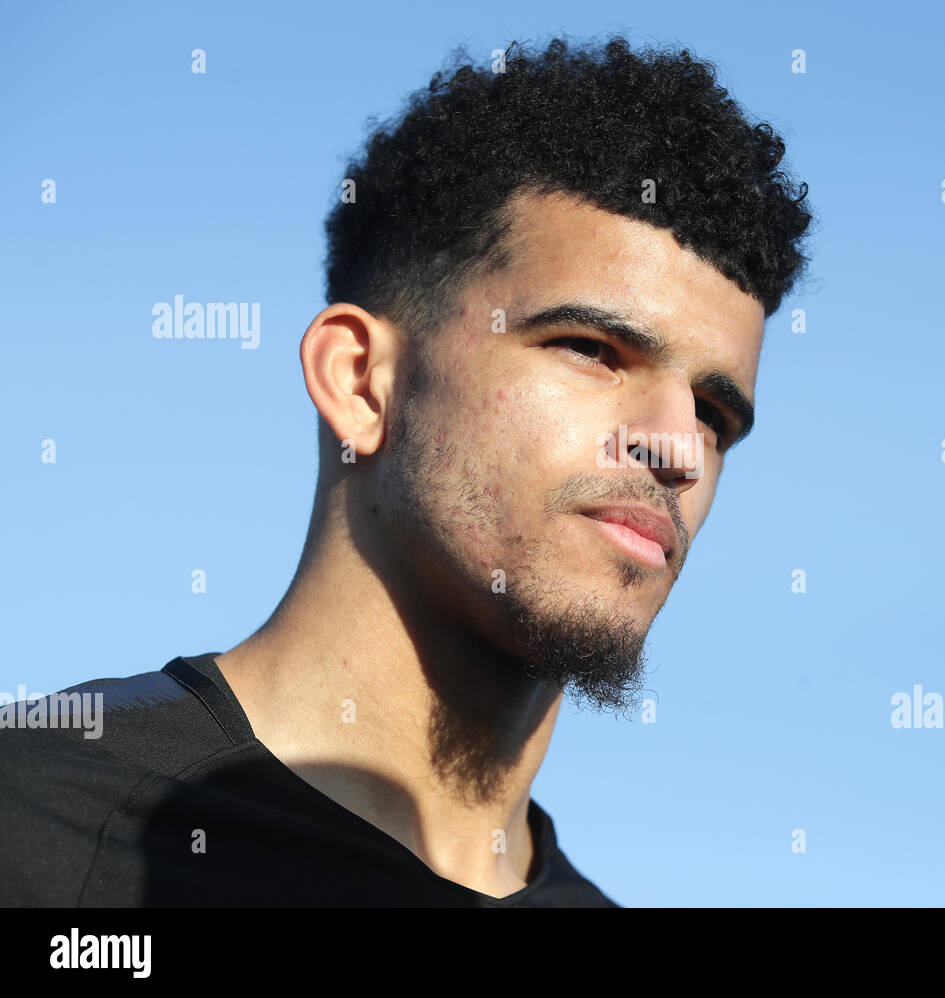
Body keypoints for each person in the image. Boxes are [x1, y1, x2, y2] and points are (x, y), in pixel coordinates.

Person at [0, 34, 813, 907]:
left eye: (715, 413)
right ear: (361, 381)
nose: (678, 448)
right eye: (591, 348)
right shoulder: (38, 827)